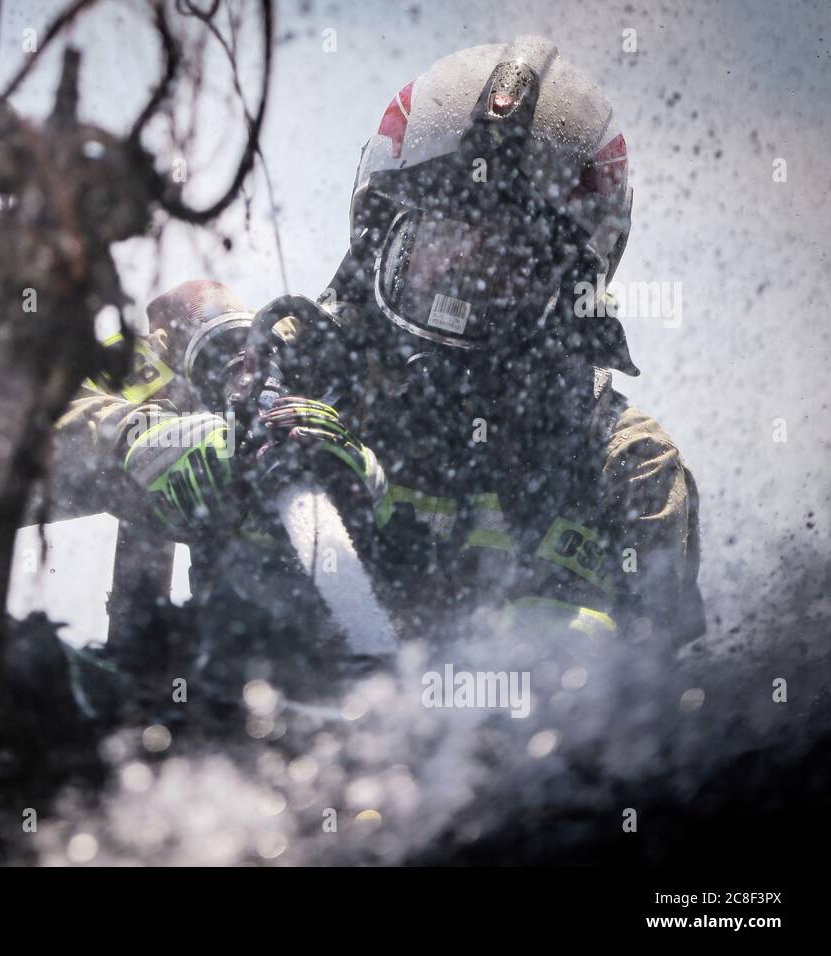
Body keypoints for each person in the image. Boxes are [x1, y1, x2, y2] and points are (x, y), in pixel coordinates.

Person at [55, 36, 705, 659]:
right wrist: (139, 443)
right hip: (191, 752)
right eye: (439, 240)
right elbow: (4, 426)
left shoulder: (629, 471)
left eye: (507, 260)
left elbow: (657, 724)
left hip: (469, 768)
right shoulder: (264, 370)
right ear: (376, 239)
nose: (462, 280)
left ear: (569, 290)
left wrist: (570, 670)